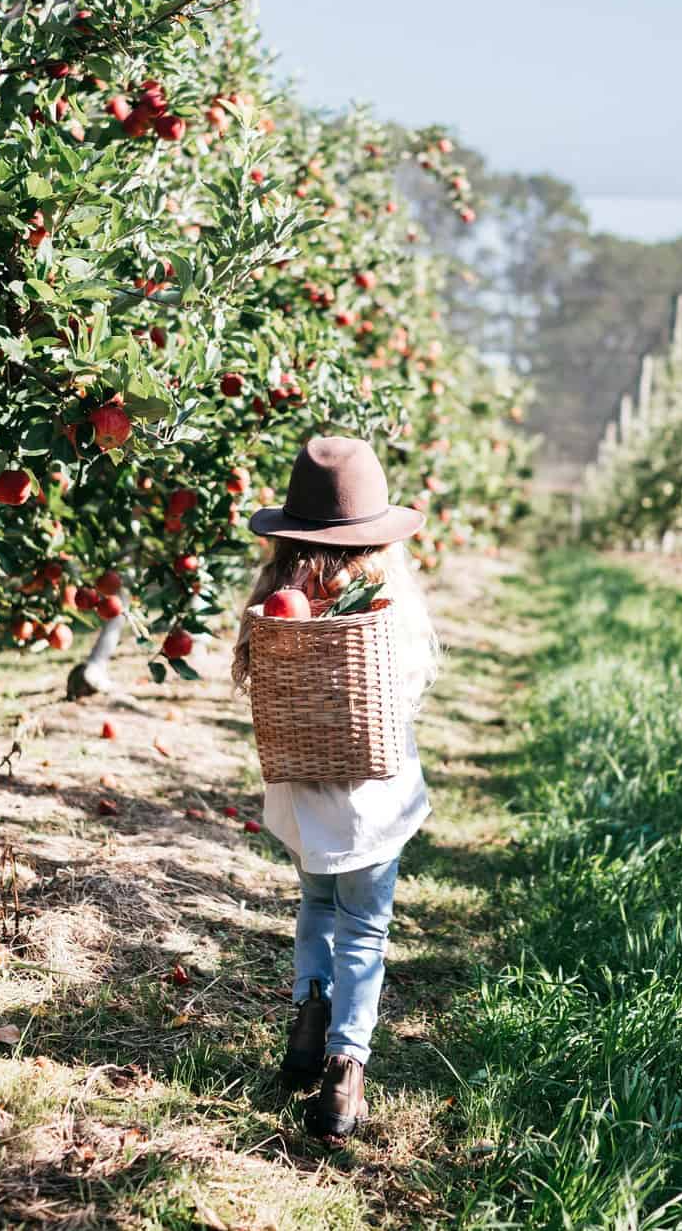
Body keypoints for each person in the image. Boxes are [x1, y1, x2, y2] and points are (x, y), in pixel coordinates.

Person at [234, 435, 439, 1144]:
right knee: (365, 927)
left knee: (316, 903)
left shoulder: (276, 604)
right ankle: (344, 1068)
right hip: (372, 798)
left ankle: (306, 1017)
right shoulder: (386, 609)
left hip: (304, 795)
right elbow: (404, 691)